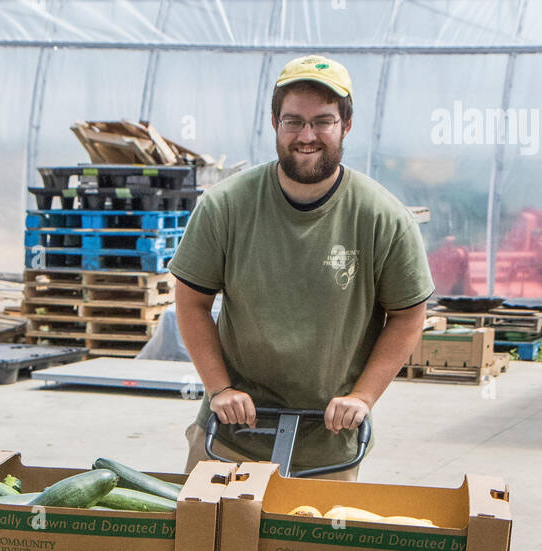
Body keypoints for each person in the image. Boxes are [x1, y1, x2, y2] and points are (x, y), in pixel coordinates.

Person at [170, 54, 435, 478]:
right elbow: (192, 303)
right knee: (205, 542)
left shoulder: (382, 217)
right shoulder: (226, 206)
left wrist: (362, 398)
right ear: (275, 122)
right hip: (232, 434)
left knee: (313, 545)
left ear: (345, 125)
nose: (307, 135)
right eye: (293, 121)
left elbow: (407, 317)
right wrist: (220, 388)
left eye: (323, 121)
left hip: (329, 443)